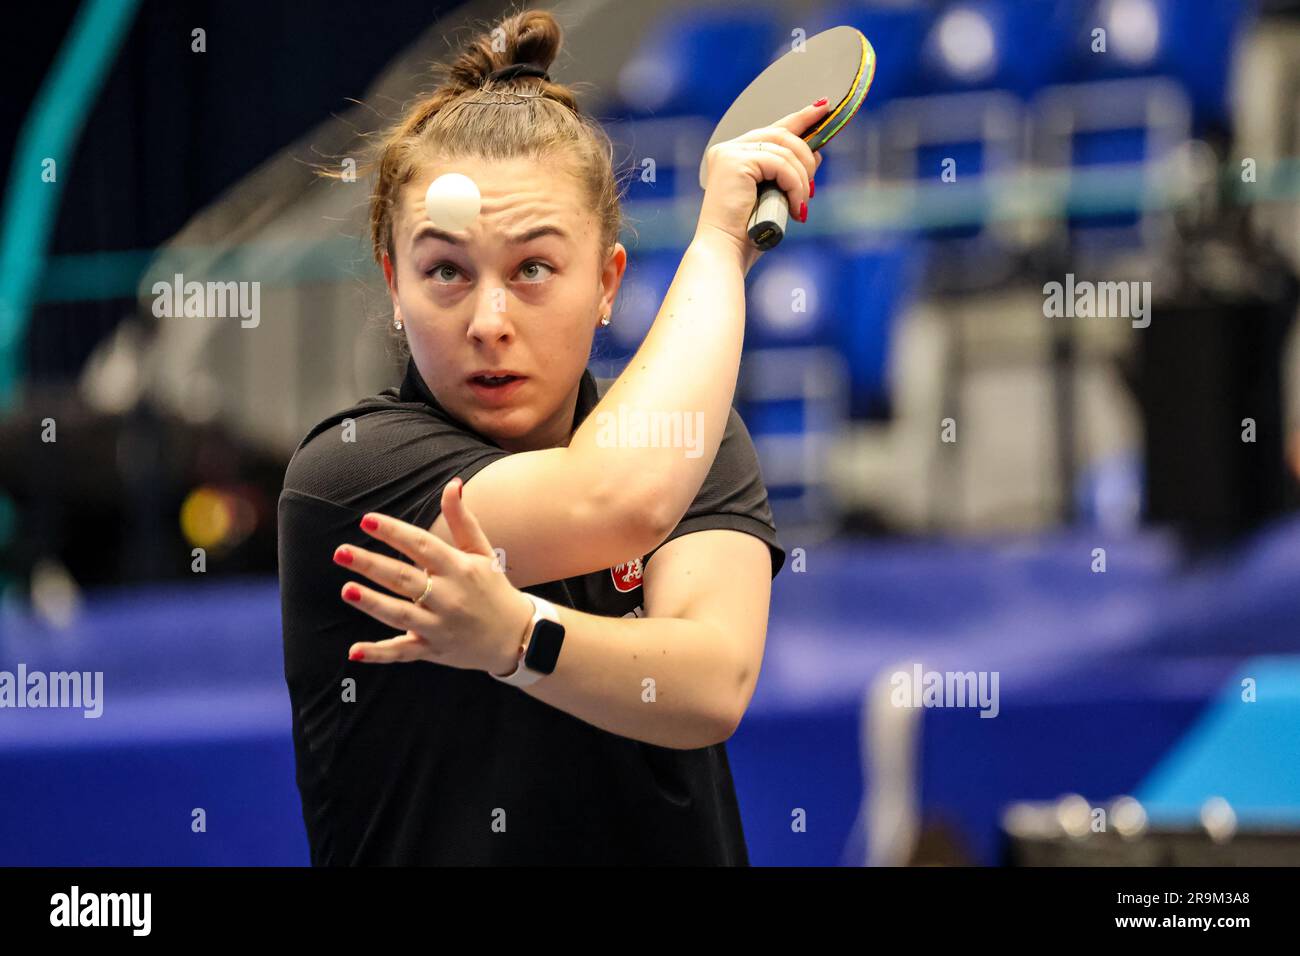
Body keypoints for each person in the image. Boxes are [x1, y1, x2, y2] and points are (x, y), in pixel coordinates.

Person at [277, 8, 824, 865]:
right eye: (445, 271)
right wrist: (719, 245)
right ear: (393, 282)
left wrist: (518, 640)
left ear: (608, 282)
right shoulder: (348, 476)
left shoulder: (696, 441)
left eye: (533, 268)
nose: (488, 321)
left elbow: (710, 684)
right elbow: (619, 498)